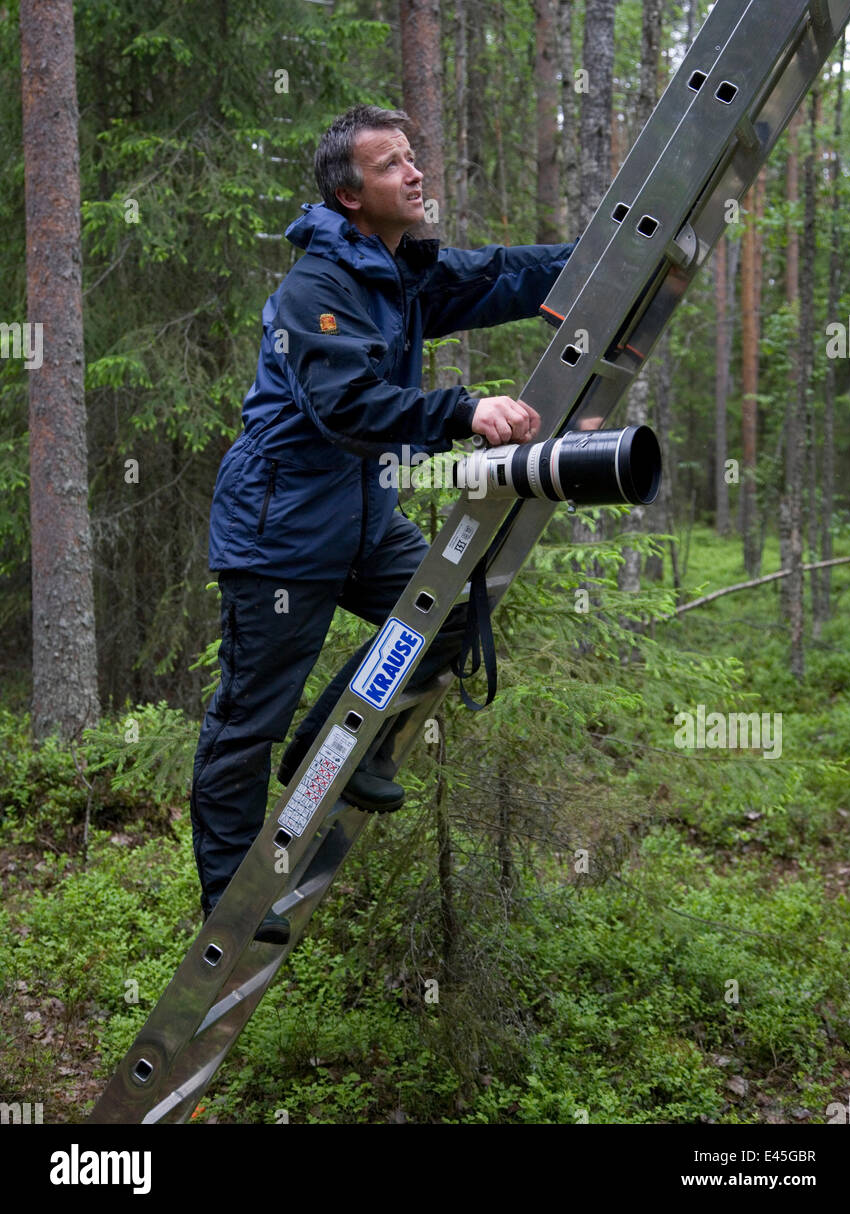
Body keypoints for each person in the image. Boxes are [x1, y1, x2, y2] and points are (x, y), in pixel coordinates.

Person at [191, 103, 574, 942]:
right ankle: (228, 898)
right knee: (249, 715)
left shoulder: (400, 272)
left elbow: (500, 276)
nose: (415, 171)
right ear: (349, 193)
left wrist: (603, 262)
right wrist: (466, 408)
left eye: (414, 157)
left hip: (361, 517)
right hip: (281, 524)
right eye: (391, 163)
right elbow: (347, 407)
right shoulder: (317, 287)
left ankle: (336, 749)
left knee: (457, 612)